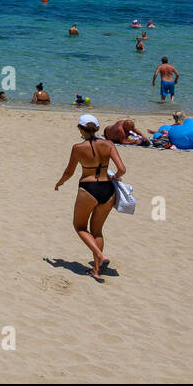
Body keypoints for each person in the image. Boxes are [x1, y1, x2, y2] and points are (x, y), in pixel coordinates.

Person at [54, 114, 126, 278]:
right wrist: (114, 177)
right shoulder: (108, 144)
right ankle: (96, 270)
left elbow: (69, 172)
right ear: (97, 129)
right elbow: (122, 168)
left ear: (80, 128)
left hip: (88, 188)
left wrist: (60, 183)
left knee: (79, 227)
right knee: (97, 231)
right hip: (108, 189)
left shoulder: (78, 148)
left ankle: (101, 257)